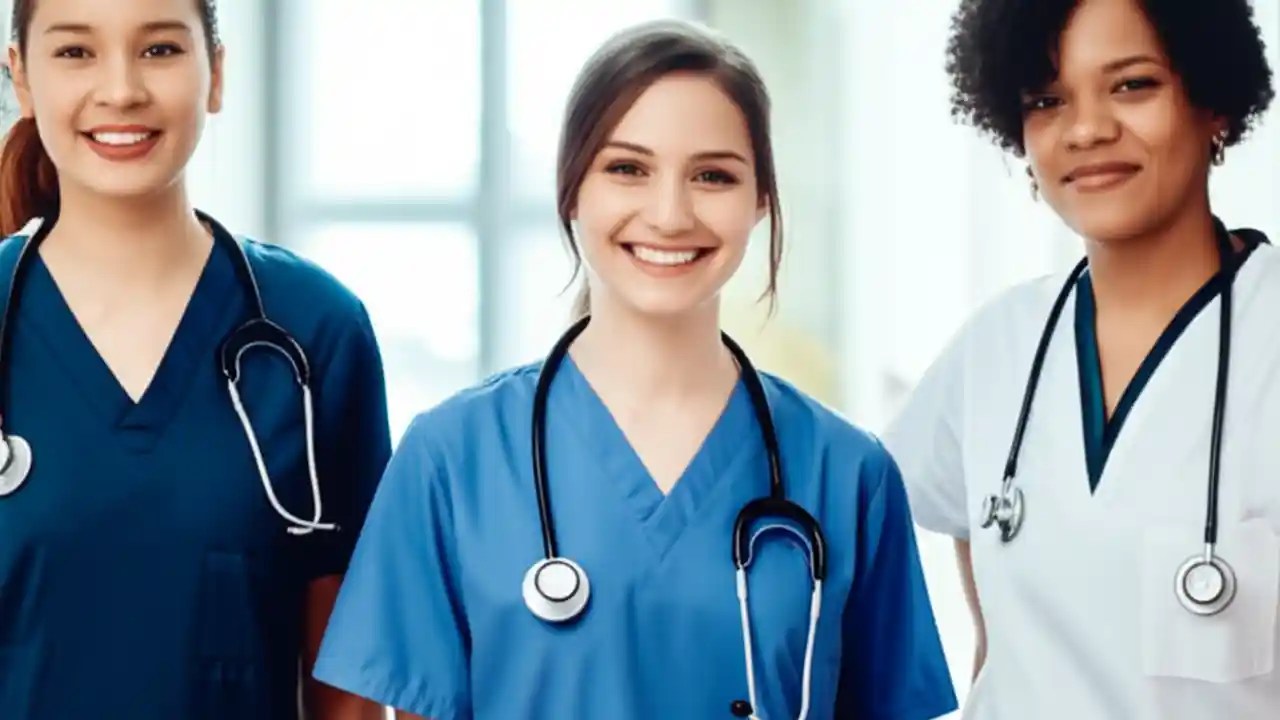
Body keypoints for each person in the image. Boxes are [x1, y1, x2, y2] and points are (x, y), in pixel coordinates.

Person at [313, 19, 957, 720]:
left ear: (761, 199)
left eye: (713, 176)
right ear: (572, 190)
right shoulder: (452, 458)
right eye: (628, 169)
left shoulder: (847, 473)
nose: (670, 214)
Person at [883, 0, 1279, 717]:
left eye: (1132, 85)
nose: (1088, 129)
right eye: (1047, 100)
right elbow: (999, 650)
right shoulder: (996, 347)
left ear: (1214, 102)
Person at [0, 0, 390, 717]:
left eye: (158, 50)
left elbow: (350, 690)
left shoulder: (315, 330)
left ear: (216, 73)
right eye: (76, 52)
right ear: (20, 78)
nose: (120, 90)